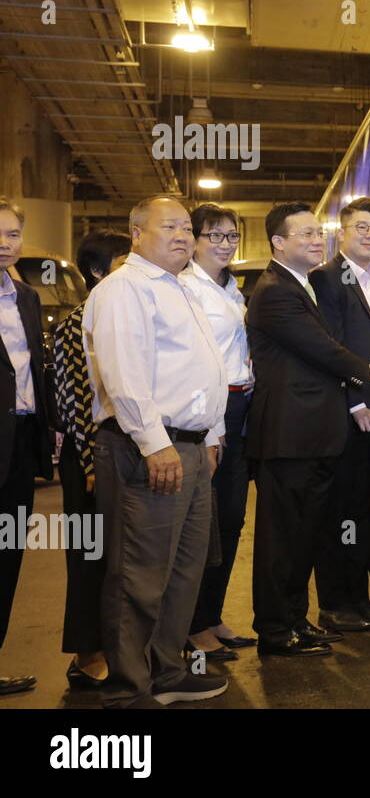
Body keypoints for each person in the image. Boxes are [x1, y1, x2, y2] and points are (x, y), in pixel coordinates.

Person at [83, 195, 228, 707]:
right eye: (170, 226)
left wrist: (210, 436)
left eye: (188, 227)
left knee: (183, 571)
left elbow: (201, 368)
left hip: (188, 448)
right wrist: (155, 444)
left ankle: (165, 670)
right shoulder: (125, 288)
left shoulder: (181, 288)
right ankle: (128, 687)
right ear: (137, 233)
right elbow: (125, 375)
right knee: (139, 573)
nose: (184, 236)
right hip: (148, 447)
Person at [245, 202, 370, 658]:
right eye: (303, 234)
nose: (314, 240)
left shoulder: (299, 285)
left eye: (316, 233)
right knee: (281, 539)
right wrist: (369, 369)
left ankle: (295, 621)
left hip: (313, 434)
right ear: (278, 243)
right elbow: (322, 349)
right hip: (289, 436)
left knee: (303, 536)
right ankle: (273, 628)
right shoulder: (274, 291)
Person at [310, 198, 370, 632]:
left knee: (367, 508)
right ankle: (334, 604)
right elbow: (330, 348)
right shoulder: (327, 279)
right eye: (360, 227)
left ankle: (360, 598)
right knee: (341, 511)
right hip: (351, 411)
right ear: (341, 234)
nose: (369, 234)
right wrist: (354, 401)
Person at [177, 205, 255, 664]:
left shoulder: (232, 289)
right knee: (204, 524)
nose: (224, 245)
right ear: (196, 239)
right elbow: (196, 362)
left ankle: (213, 614)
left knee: (231, 520)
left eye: (231, 237)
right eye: (214, 236)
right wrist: (212, 425)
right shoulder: (187, 288)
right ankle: (192, 626)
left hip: (242, 403)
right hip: (211, 406)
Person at [54, 229, 131, 691]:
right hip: (89, 458)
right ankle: (87, 653)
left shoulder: (129, 314)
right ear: (99, 272)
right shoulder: (77, 321)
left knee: (124, 559)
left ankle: (122, 646)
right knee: (90, 557)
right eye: (125, 263)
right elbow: (74, 405)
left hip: (127, 455)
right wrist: (88, 465)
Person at [0, 199, 57, 697]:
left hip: (19, 440)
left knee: (8, 553)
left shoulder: (25, 295)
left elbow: (34, 367)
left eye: (13, 234)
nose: (5, 243)